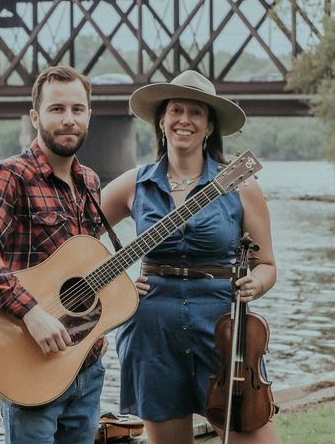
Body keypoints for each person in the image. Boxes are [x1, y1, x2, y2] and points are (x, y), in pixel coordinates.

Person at [100, 70, 280, 444]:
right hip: (152, 334)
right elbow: (76, 237)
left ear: (209, 126)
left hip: (223, 333)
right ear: (161, 121)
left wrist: (257, 284)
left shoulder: (241, 184)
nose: (185, 120)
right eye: (176, 110)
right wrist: (116, 286)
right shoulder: (135, 183)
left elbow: (267, 265)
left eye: (196, 112)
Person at [0, 65, 108, 443]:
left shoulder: (89, 182)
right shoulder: (11, 175)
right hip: (32, 364)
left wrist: (111, 305)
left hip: (86, 366)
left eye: (77, 109)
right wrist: (31, 312)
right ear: (36, 117)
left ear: (89, 115)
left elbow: (81, 269)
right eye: (57, 109)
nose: (69, 119)